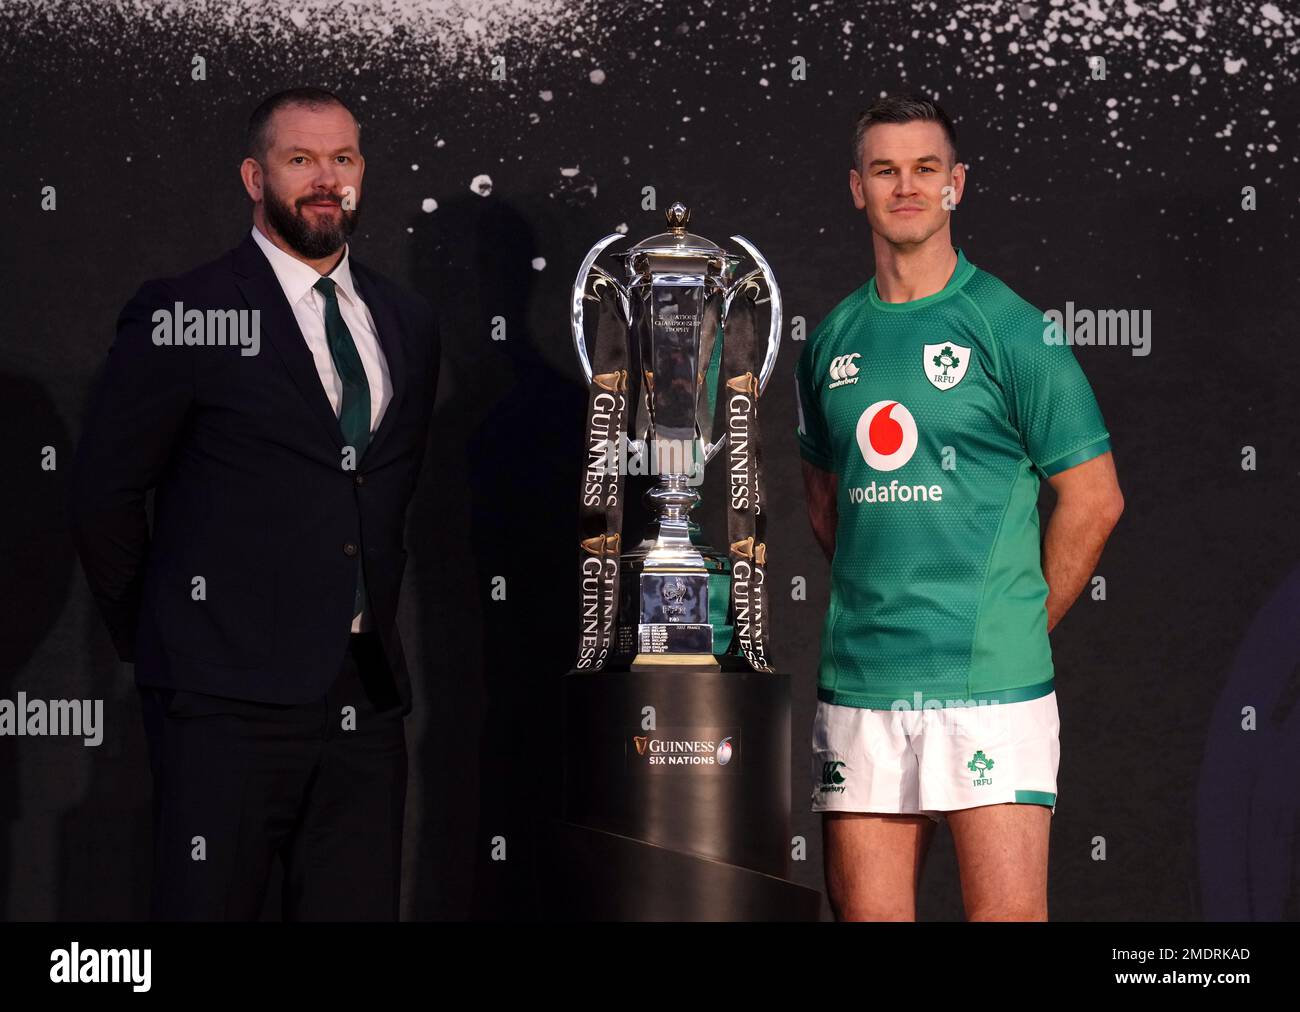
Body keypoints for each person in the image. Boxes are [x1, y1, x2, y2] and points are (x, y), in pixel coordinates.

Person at [70, 87, 440, 920]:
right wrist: (166, 639)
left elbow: (386, 495)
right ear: (253, 176)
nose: (324, 179)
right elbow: (103, 495)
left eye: (342, 159)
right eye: (299, 159)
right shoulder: (186, 311)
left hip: (364, 698)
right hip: (220, 698)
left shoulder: (409, 321)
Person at [796, 94, 1123, 921]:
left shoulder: (1012, 329)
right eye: (885, 170)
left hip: (992, 695)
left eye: (925, 169)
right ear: (855, 188)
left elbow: (1095, 497)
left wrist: (1013, 620)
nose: (905, 186)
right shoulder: (831, 339)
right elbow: (827, 501)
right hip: (862, 687)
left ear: (956, 185)